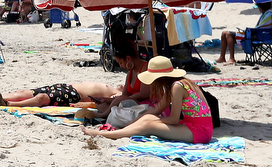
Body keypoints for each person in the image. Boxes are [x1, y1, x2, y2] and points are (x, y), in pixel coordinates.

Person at [80, 56, 214, 144]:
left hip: (200, 132)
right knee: (147, 117)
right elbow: (156, 109)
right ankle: (120, 131)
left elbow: (173, 119)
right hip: (193, 126)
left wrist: (151, 121)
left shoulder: (177, 87)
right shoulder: (178, 84)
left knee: (149, 124)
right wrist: (138, 121)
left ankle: (100, 134)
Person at [0, 81, 118, 107]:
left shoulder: (118, 96)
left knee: (42, 99)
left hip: (75, 94)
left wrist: (85, 104)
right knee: (24, 92)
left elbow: (105, 103)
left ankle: (9, 103)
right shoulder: (122, 88)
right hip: (67, 86)